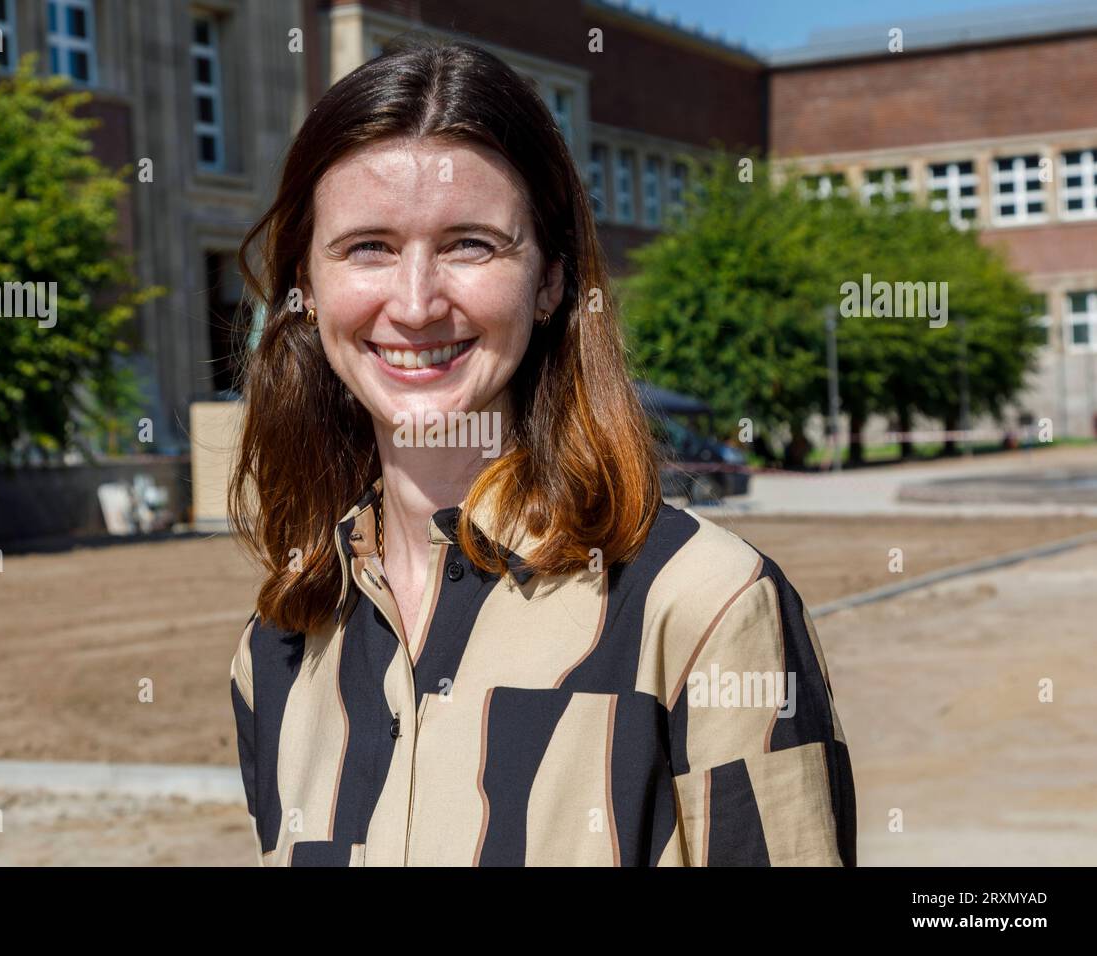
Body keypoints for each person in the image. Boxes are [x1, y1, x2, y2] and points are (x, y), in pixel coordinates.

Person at [227, 36, 855, 867]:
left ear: (553, 280)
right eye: (368, 247)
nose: (415, 304)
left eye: (471, 244)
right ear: (305, 286)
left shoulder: (703, 608)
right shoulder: (276, 649)